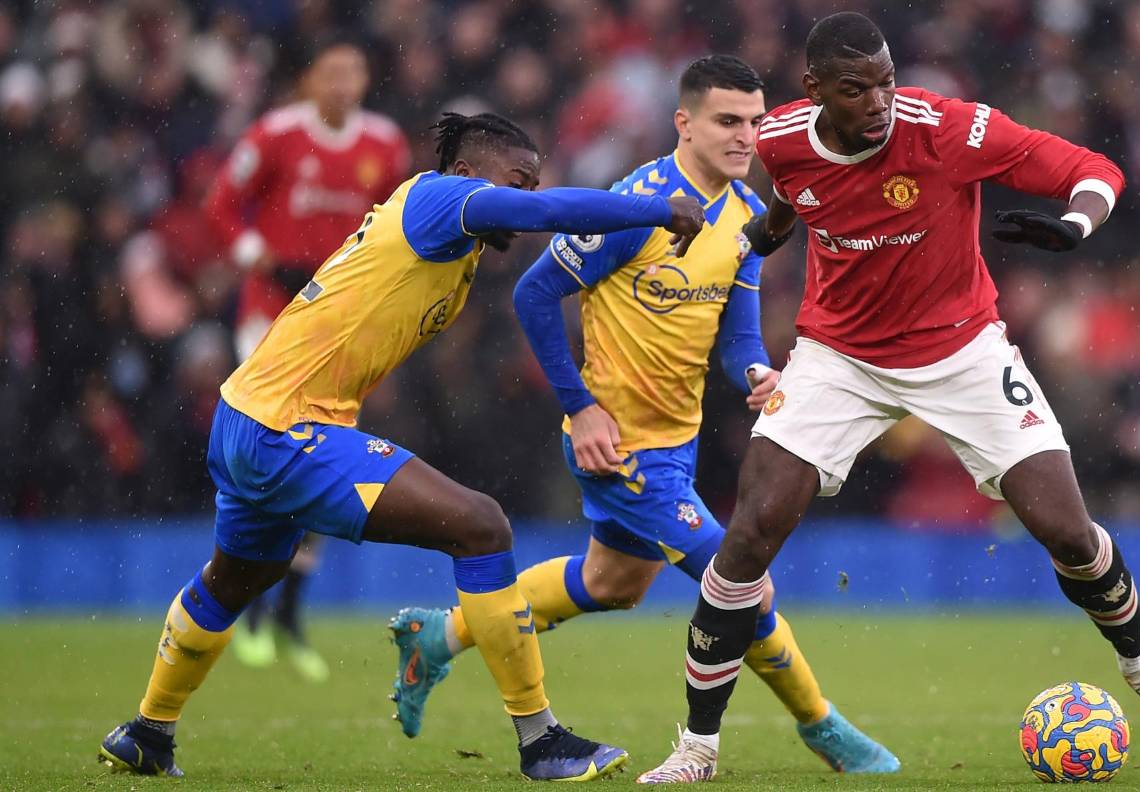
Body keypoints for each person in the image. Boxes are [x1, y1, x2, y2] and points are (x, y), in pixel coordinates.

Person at [638, 12, 1140, 783]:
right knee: (748, 535)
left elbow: (1091, 169)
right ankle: (697, 749)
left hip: (962, 351)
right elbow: (789, 194)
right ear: (814, 91)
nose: (879, 102)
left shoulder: (947, 130)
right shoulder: (778, 139)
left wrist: (1075, 225)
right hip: (838, 357)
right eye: (856, 90)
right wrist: (759, 239)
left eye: (886, 81)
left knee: (1067, 533)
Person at [97, 111, 705, 781]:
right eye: (518, 182)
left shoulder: (454, 245)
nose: (526, 197)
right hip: (286, 428)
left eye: (532, 184)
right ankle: (541, 742)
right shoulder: (438, 197)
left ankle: (147, 732)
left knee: (233, 580)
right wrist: (656, 209)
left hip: (250, 414)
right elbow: (548, 213)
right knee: (481, 527)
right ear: (469, 173)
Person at [386, 56, 899, 778]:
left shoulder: (746, 216)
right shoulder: (638, 207)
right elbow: (534, 293)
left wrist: (757, 373)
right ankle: (822, 725)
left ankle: (437, 637)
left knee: (611, 582)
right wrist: (582, 407)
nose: (746, 136)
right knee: (742, 583)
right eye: (727, 121)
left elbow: (738, 339)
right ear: (683, 123)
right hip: (619, 447)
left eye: (755, 122)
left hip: (676, 441)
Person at [204, 37, 410, 681]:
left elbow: (396, 228)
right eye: (332, 72)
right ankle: (248, 602)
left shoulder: (385, 144)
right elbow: (221, 203)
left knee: (325, 455)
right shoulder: (275, 134)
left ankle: (287, 609)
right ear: (308, 80)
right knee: (269, 446)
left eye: (355, 71)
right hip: (271, 314)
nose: (344, 84)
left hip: (339, 325)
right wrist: (254, 255)